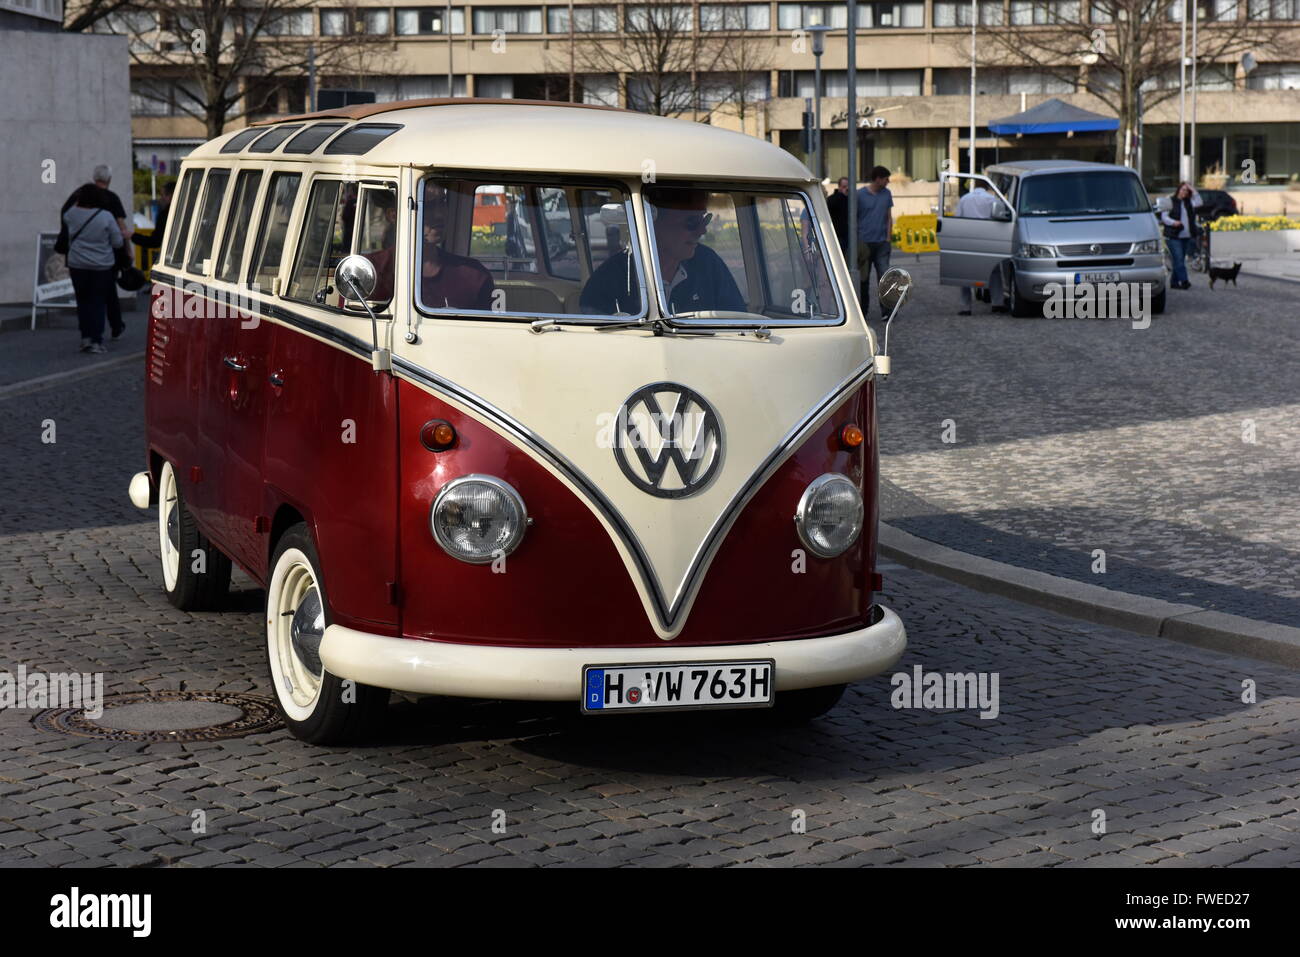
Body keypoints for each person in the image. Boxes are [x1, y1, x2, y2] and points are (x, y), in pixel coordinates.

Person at [581, 186, 745, 316]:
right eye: (692, 222)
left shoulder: (709, 264)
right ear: (654, 222)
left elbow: (738, 322)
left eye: (704, 219)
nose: (702, 231)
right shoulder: (608, 280)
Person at [61, 165, 131, 338]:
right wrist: (128, 250)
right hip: (106, 256)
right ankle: (114, 326)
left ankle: (88, 335)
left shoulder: (76, 202)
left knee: (84, 299)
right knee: (107, 293)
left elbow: (65, 217)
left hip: (77, 259)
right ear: (109, 180)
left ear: (94, 178)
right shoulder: (111, 200)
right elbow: (121, 228)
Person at [420, 184, 495, 311]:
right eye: (429, 205)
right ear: (393, 215)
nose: (439, 215)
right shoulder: (377, 273)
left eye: (443, 202)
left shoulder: (474, 276)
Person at [954, 180, 1006, 316]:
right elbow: (1001, 218)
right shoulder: (992, 199)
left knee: (965, 273)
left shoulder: (964, 199)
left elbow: (957, 220)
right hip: (987, 238)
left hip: (968, 239)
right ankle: (997, 304)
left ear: (974, 186)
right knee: (994, 271)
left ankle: (966, 307)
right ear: (987, 187)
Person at [855, 166, 894, 318]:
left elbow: (889, 217)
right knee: (863, 280)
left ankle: (887, 312)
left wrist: (888, 238)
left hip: (882, 244)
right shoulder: (860, 195)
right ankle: (863, 312)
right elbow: (854, 218)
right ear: (878, 178)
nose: (888, 181)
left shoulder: (887, 194)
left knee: (885, 279)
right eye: (886, 179)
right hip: (864, 244)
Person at [1162, 181, 1203, 291]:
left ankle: (1174, 283)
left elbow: (1199, 202)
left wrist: (1192, 189)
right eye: (1183, 189)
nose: (1184, 192)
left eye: (1187, 190)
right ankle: (1184, 281)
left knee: (1178, 260)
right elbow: (1164, 217)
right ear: (1178, 189)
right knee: (1179, 259)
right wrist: (1173, 222)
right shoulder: (1170, 200)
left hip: (1186, 236)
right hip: (1173, 236)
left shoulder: (1189, 202)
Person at [132, 180, 176, 253]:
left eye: (162, 195)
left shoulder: (165, 214)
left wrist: (133, 236)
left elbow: (155, 241)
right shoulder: (187, 210)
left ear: (170, 196)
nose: (161, 199)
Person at [825, 177, 851, 255]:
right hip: (838, 235)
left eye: (848, 186)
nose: (846, 189)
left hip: (848, 235)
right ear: (839, 187)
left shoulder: (851, 199)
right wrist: (841, 194)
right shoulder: (833, 199)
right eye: (844, 186)